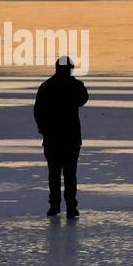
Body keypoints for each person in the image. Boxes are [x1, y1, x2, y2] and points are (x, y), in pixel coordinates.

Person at [33, 56, 89, 218]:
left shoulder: (46, 86)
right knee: (68, 174)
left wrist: (43, 129)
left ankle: (57, 206)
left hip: (53, 138)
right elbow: (83, 99)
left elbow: (38, 111)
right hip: (68, 138)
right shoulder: (72, 85)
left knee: (55, 174)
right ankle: (69, 207)